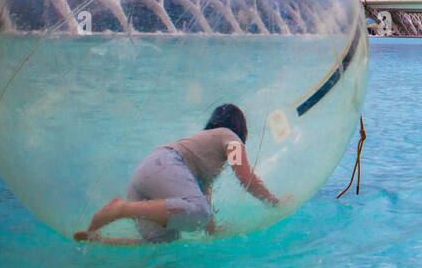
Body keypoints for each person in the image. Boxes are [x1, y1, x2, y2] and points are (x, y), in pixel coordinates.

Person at [74, 104, 283, 243]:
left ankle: (99, 240)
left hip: (148, 174)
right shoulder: (230, 138)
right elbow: (245, 178)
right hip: (166, 164)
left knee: (162, 245)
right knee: (199, 215)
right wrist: (275, 203)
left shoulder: (204, 148)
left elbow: (202, 195)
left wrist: (212, 230)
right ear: (240, 128)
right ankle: (122, 209)